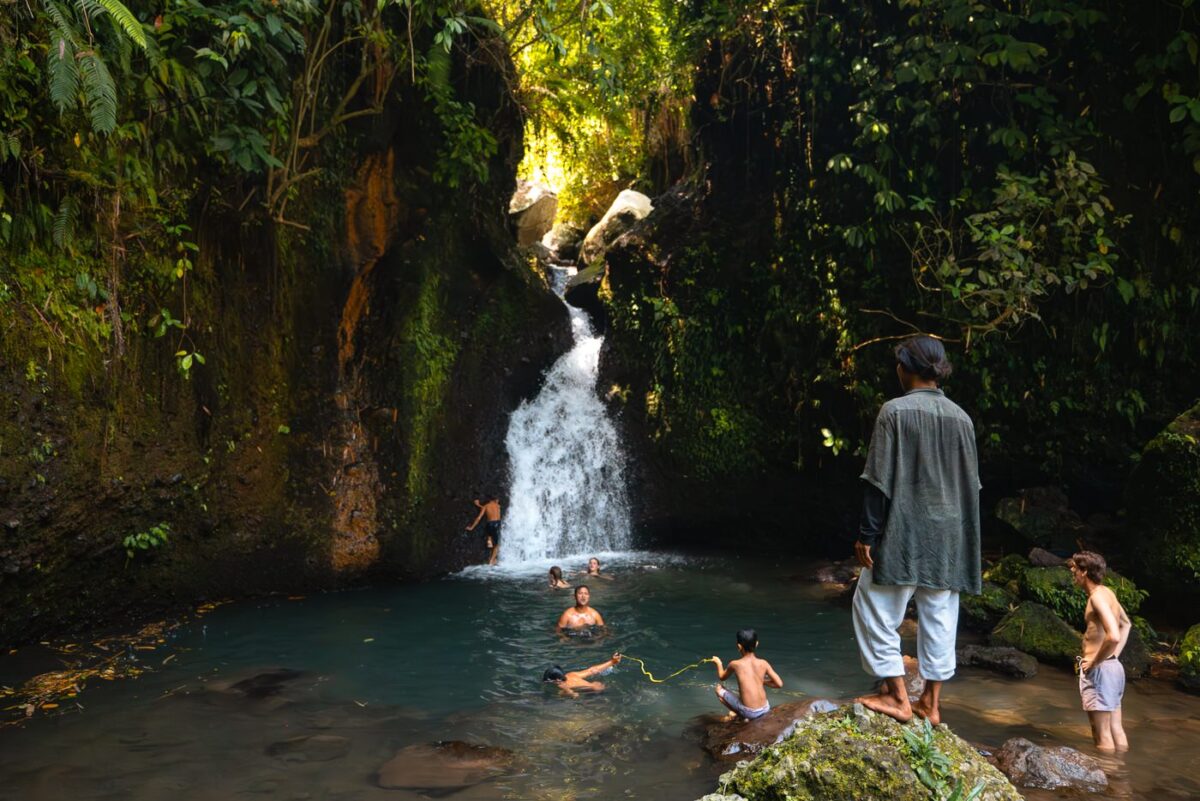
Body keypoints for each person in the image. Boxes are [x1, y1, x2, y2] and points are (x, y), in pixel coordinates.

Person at [851, 336, 981, 725]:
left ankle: (898, 698)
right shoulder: (962, 418)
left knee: (872, 607)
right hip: (950, 534)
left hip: (904, 528)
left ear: (906, 369)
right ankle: (931, 704)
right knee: (940, 614)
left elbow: (879, 481)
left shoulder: (894, 412)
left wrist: (867, 535)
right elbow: (970, 487)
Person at [1069, 551, 1131, 752]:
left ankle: (1109, 782)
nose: (1072, 572)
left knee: (1100, 733)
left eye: (1075, 568)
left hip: (1100, 671)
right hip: (1113, 667)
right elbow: (1126, 624)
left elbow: (1113, 635)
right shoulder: (1108, 592)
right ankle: (1121, 779)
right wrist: (1113, 656)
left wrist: (1095, 662)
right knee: (1116, 730)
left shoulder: (1097, 598)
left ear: (1084, 571)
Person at [711, 628, 782, 721]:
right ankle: (744, 712)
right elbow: (779, 684)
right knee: (741, 693)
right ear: (757, 644)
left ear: (739, 646)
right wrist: (763, 681)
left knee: (718, 689)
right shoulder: (763, 663)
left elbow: (722, 677)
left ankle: (740, 715)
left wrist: (718, 663)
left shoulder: (735, 664)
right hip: (765, 708)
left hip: (750, 713)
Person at [542, 653, 623, 698]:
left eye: (549, 681)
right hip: (598, 684)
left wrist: (563, 693)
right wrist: (612, 662)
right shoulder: (571, 674)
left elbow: (575, 695)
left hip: (596, 691)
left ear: (557, 680)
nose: (548, 682)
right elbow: (592, 670)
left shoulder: (564, 685)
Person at [464, 494, 502, 566]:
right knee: (497, 544)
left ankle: (489, 542)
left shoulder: (486, 506)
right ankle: (492, 560)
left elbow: (479, 518)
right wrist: (479, 505)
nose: (498, 501)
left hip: (490, 524)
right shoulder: (498, 506)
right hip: (497, 524)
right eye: (497, 500)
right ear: (495, 500)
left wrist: (472, 527)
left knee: (489, 529)